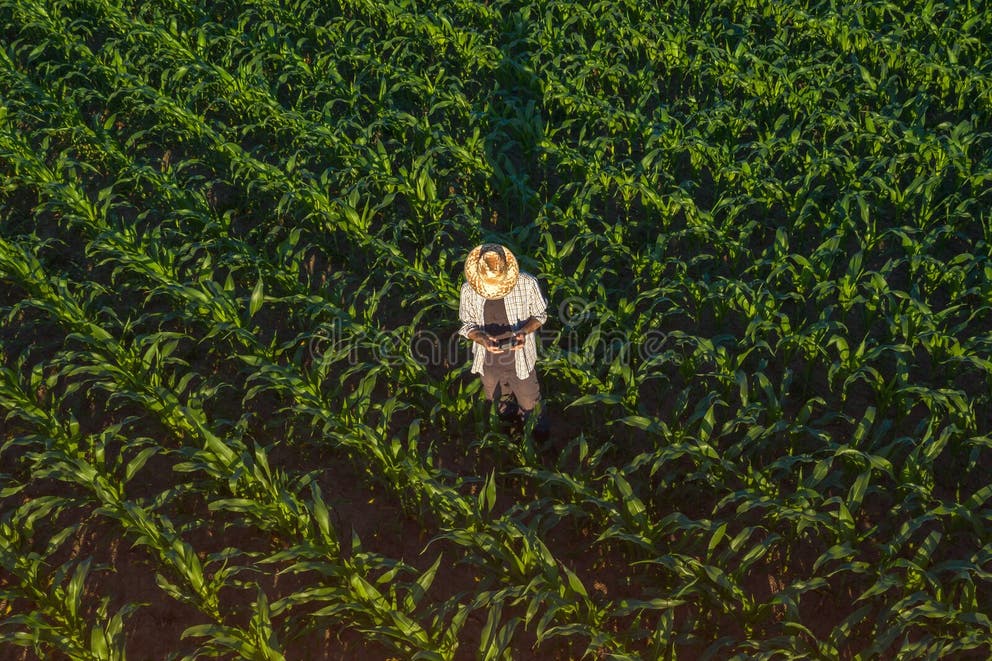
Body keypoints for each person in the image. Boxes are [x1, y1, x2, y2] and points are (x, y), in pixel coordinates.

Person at [458, 243, 549, 437]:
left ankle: (538, 444)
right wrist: (482, 338)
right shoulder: (468, 289)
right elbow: (466, 325)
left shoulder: (527, 283)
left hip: (521, 359)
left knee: (530, 404)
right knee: (499, 403)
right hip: (489, 362)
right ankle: (508, 438)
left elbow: (540, 315)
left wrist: (524, 331)